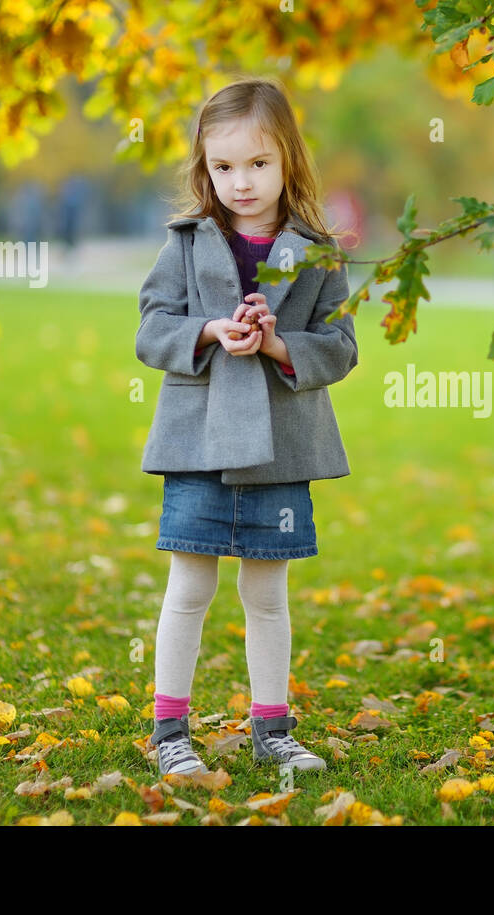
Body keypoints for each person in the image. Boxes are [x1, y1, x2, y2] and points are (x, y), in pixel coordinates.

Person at [134, 77, 358, 779]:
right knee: (189, 588)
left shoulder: (317, 251)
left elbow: (341, 345)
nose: (240, 181)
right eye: (223, 166)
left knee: (267, 596)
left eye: (257, 164)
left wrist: (275, 343)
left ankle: (273, 728)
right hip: (199, 444)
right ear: (205, 168)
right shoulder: (186, 243)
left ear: (288, 159)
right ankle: (170, 729)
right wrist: (208, 329)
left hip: (279, 453)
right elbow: (152, 327)